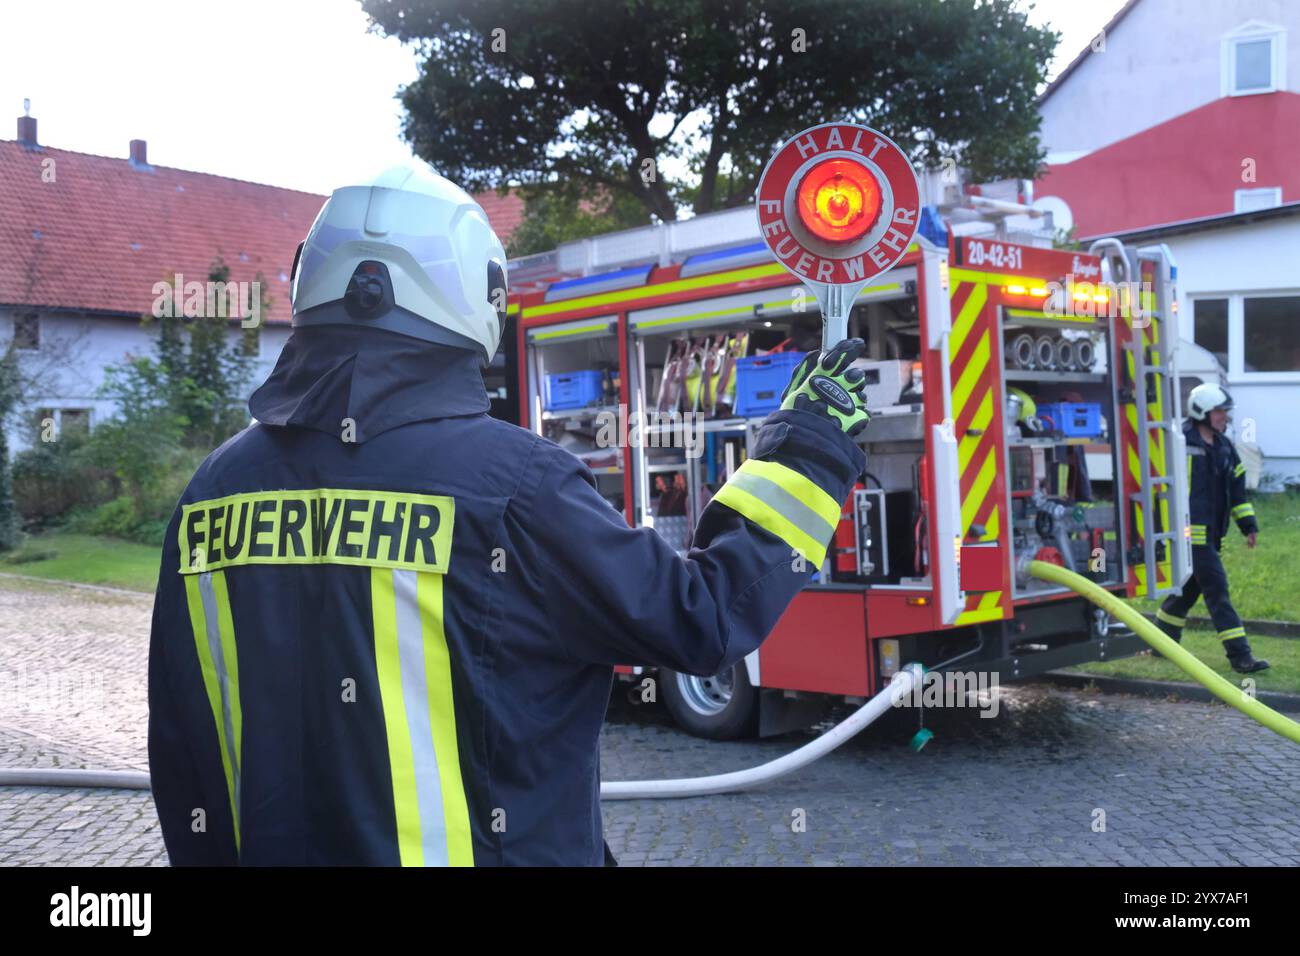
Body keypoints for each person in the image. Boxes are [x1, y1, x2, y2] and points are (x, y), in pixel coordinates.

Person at [147, 161, 873, 866]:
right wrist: (805, 454)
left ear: (312, 284)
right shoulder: (517, 488)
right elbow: (703, 619)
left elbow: (179, 747)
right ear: (474, 293)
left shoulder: (213, 492)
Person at [1153, 383, 1268, 673]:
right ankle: (1240, 656)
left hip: (1213, 534)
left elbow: (1237, 490)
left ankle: (1161, 640)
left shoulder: (1224, 447)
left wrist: (1248, 525)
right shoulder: (1180, 443)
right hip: (1189, 534)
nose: (1224, 417)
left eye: (1225, 412)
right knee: (1217, 590)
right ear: (1202, 411)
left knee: (1187, 591)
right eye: (1219, 411)